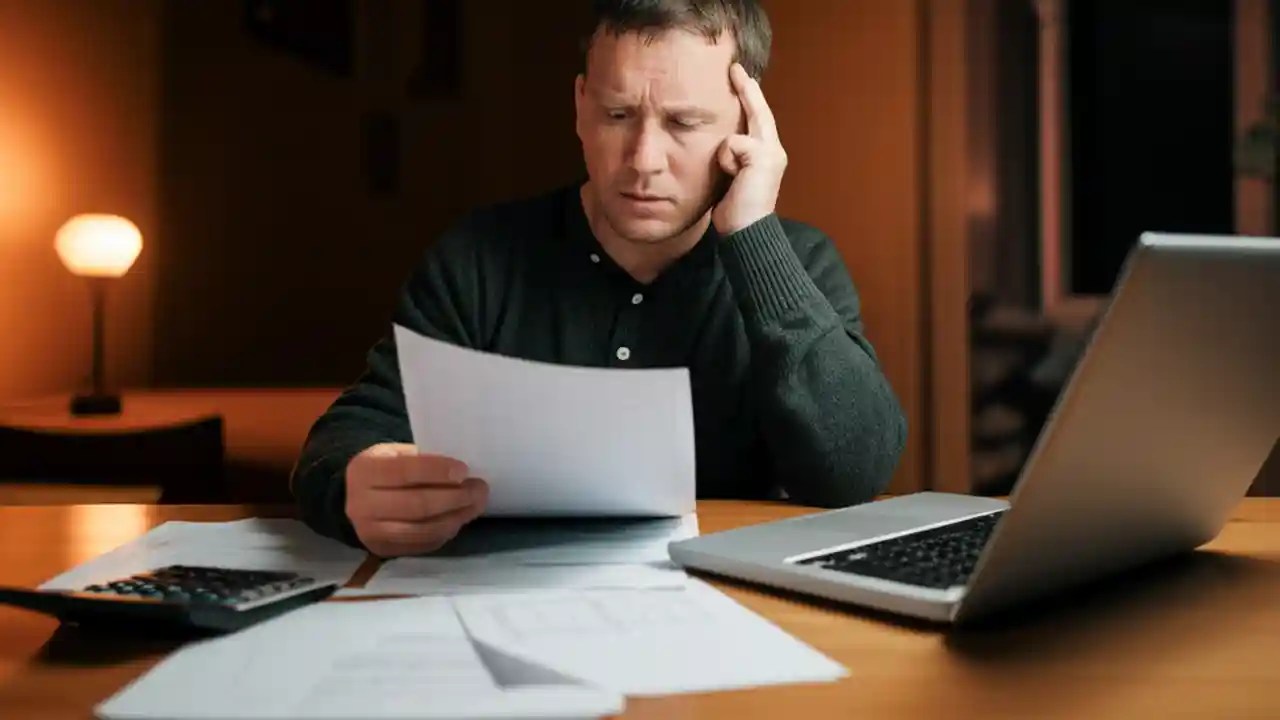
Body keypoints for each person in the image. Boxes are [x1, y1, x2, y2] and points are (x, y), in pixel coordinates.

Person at [291, 0, 908, 558]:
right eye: (617, 114)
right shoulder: (477, 259)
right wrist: (354, 486)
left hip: (728, 605)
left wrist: (753, 237)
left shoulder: (797, 261)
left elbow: (853, 472)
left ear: (748, 123)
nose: (643, 161)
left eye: (684, 123)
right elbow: (349, 435)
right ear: (581, 106)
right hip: (500, 603)